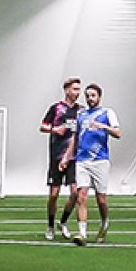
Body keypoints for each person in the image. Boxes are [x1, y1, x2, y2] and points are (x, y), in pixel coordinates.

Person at [64, 83, 120, 245]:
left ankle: (104, 222)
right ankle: (82, 233)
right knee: (81, 196)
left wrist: (103, 126)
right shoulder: (81, 114)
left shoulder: (107, 113)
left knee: (101, 199)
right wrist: (68, 157)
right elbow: (75, 138)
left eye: (93, 95)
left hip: (100, 160)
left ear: (99, 97)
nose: (90, 98)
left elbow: (118, 133)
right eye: (87, 95)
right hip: (82, 161)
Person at [40, 77, 82, 240]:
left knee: (74, 193)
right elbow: (42, 126)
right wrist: (55, 129)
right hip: (56, 156)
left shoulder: (81, 111)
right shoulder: (56, 108)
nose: (77, 93)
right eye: (74, 89)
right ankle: (50, 226)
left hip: (73, 157)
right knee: (54, 194)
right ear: (66, 90)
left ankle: (63, 222)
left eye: (79, 89)